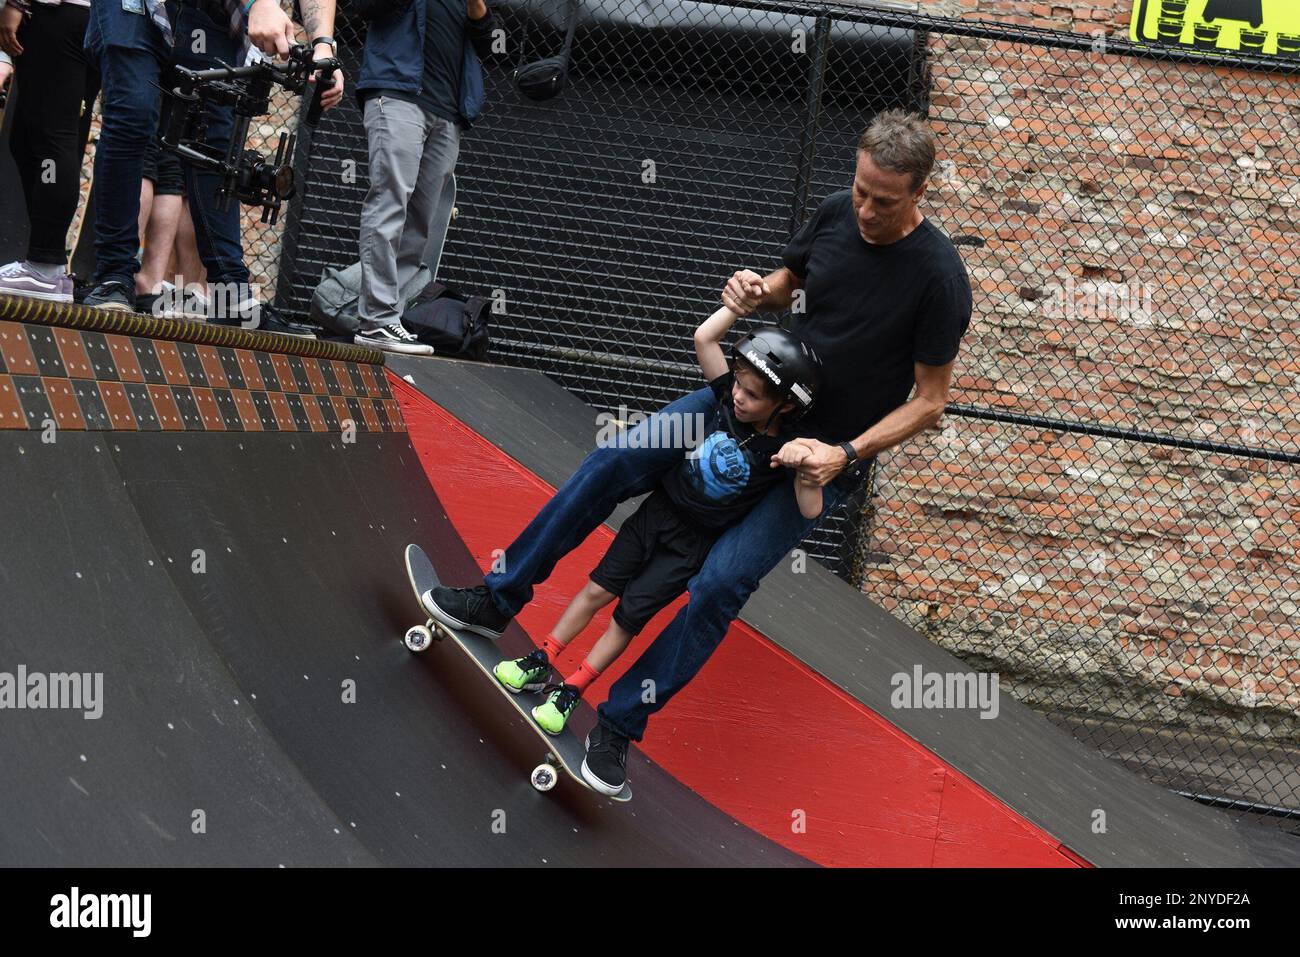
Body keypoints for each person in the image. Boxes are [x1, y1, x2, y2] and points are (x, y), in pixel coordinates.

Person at [416, 109, 973, 794]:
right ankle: (498, 598)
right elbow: (786, 283)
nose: (864, 208)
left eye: (882, 202)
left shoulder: (939, 277)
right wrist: (751, 290)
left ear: (919, 192)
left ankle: (618, 727)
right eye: (859, 189)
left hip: (810, 457)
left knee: (716, 584)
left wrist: (845, 454)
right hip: (746, 405)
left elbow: (929, 399)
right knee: (612, 463)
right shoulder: (835, 214)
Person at [475, 310, 822, 794]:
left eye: (754, 395)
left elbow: (809, 509)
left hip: (692, 548)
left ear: (783, 405)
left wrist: (809, 471)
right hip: (655, 516)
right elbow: (704, 337)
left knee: (627, 619)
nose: (740, 397)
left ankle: (571, 691)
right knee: (598, 589)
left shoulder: (787, 448)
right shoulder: (724, 396)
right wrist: (736, 307)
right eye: (739, 385)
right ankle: (541, 659)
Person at [80, 0, 344, 337]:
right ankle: (114, 276)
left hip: (213, 13)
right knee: (133, 112)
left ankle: (230, 296)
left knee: (216, 138)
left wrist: (323, 45)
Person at [351, 0, 496, 354]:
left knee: (422, 220)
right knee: (390, 202)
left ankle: (391, 318)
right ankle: (376, 319)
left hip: (447, 111)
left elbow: (493, 43)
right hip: (399, 94)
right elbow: (363, 7)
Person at [0, 0, 99, 303]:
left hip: (58, 11)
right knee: (33, 138)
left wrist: (16, 2)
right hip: (92, 18)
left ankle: (45, 265)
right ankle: (47, 266)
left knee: (50, 140)